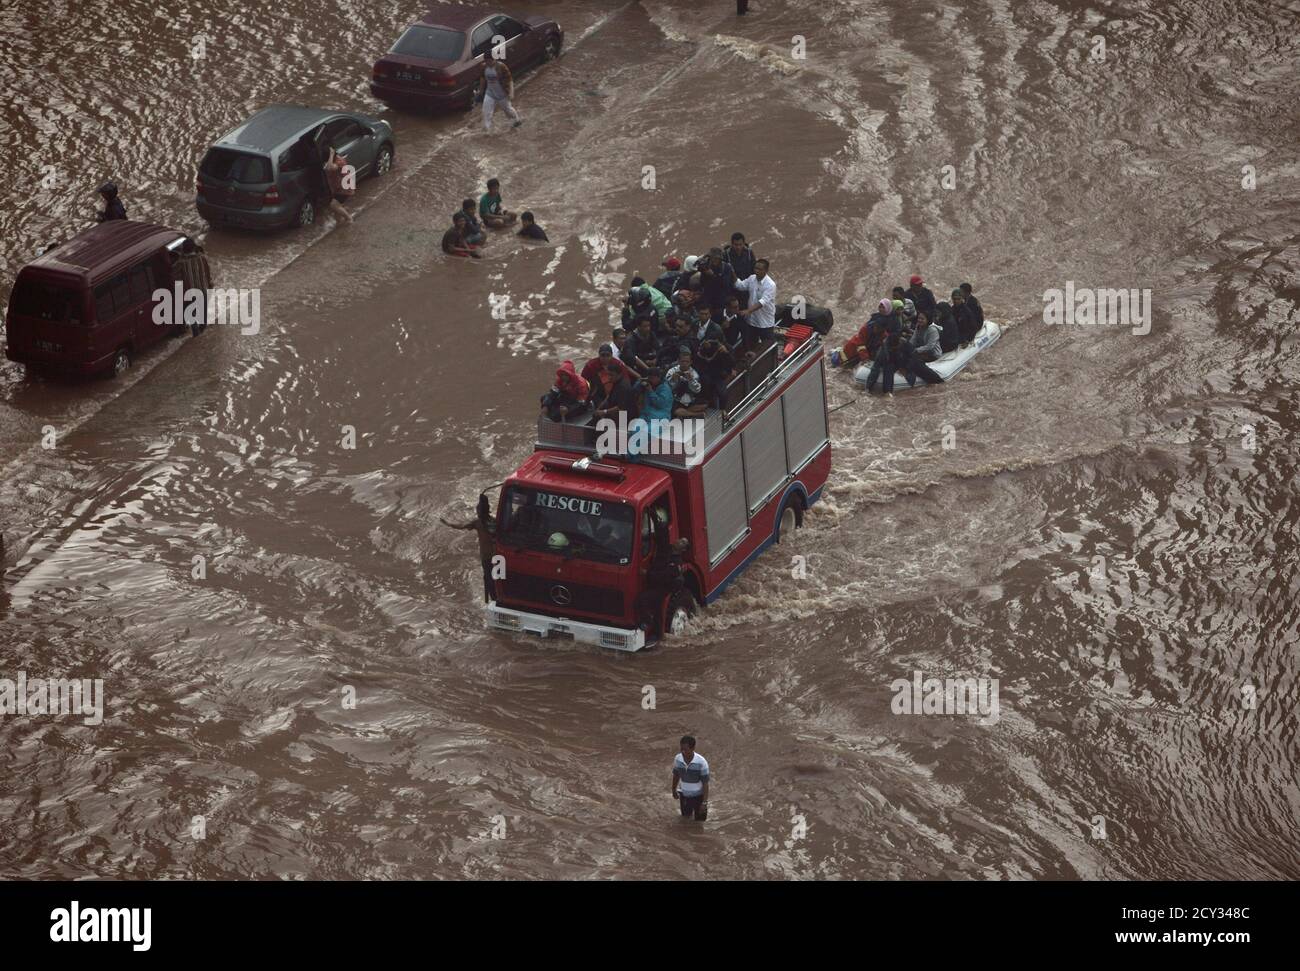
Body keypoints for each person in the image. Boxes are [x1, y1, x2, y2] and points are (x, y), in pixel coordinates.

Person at [440, 494, 497, 603]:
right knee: (497, 579)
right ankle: (499, 599)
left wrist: (447, 523)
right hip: (498, 557)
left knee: (489, 580)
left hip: (486, 558)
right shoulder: (494, 521)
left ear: (480, 510)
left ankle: (494, 600)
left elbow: (461, 526)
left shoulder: (478, 523)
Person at [733, 258, 777, 349]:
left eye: (760, 269)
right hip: (751, 321)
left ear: (766, 270)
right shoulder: (751, 278)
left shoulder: (770, 285)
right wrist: (731, 272)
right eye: (755, 268)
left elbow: (762, 302)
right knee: (751, 346)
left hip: (765, 323)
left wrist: (748, 311)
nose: (756, 271)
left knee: (769, 347)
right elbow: (740, 286)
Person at [481, 50, 522, 132]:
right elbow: (482, 78)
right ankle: (486, 130)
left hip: (502, 94)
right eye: (486, 61)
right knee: (486, 112)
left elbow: (510, 79)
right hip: (490, 93)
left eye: (490, 61)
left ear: (494, 59)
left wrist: (511, 93)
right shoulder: (484, 67)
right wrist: (481, 90)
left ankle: (516, 120)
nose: (488, 63)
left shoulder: (501, 67)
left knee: (508, 110)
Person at [672, 735, 710, 821]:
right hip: (684, 796)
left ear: (693, 748)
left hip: (699, 797)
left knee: (700, 823)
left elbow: (705, 783)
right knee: (685, 821)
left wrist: (704, 803)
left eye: (685, 749)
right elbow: (676, 775)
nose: (682, 752)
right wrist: (673, 790)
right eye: (681, 749)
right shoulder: (678, 759)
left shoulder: (701, 762)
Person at [900, 313, 944, 386]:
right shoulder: (918, 327)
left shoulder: (932, 330)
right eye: (919, 318)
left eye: (922, 319)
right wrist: (908, 347)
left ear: (928, 320)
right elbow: (913, 340)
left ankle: (933, 380)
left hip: (932, 354)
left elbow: (930, 346)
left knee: (914, 361)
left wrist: (916, 350)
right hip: (922, 351)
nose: (919, 320)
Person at [665, 347, 706, 417]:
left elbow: (697, 390)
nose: (684, 363)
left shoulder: (694, 374)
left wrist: (691, 380)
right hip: (676, 399)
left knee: (705, 404)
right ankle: (696, 414)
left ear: (690, 362)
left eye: (687, 362)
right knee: (676, 410)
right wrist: (673, 380)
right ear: (678, 361)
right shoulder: (671, 371)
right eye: (682, 361)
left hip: (690, 399)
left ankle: (684, 413)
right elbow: (666, 388)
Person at [697, 247, 737, 319]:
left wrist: (713, 275)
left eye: (717, 258)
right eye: (712, 258)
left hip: (721, 299)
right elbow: (701, 281)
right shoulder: (706, 266)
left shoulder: (726, 267)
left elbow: (725, 284)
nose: (714, 260)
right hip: (708, 298)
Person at [695, 338, 735, 407]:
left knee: (723, 393)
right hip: (706, 373)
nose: (707, 343)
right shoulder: (701, 350)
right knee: (706, 385)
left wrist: (726, 353)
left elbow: (732, 363)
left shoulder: (722, 349)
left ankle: (722, 409)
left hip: (718, 375)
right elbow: (702, 362)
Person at [322, 147, 354, 224]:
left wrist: (331, 154)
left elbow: (330, 168)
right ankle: (339, 224)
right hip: (338, 188)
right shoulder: (334, 160)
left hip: (344, 188)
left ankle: (349, 219)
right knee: (336, 210)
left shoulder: (339, 161)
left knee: (334, 205)